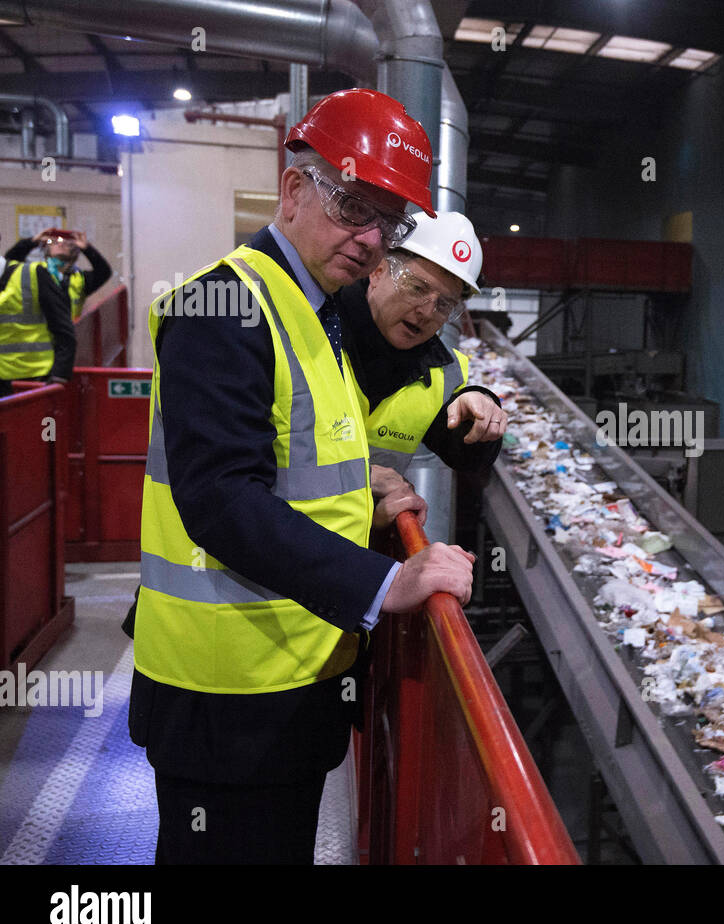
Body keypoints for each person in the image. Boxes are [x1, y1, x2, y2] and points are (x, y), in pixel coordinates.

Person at [125, 88, 476, 865]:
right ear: (293, 189)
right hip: (225, 699)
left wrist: (368, 496)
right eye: (352, 203)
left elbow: (295, 460)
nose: (369, 237)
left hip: (288, 681)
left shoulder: (314, 311)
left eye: (386, 220)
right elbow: (221, 500)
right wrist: (388, 584)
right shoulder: (226, 304)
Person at [340, 209, 507, 487]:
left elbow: (467, 457)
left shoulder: (440, 376)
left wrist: (481, 408)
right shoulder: (317, 328)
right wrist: (360, 482)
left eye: (444, 304)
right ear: (378, 272)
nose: (427, 311)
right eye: (416, 288)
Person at [0, 232, 74, 396]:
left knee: (45, 423)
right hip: (4, 381)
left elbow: (64, 331)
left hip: (33, 381)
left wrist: (58, 377)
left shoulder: (33, 274)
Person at [5, 227, 113, 320]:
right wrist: (32, 242)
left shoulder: (80, 279)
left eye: (67, 243)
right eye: (55, 242)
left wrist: (86, 248)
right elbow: (9, 263)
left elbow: (104, 272)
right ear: (47, 250)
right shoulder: (34, 272)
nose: (61, 244)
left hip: (65, 337)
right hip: (37, 339)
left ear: (73, 252)